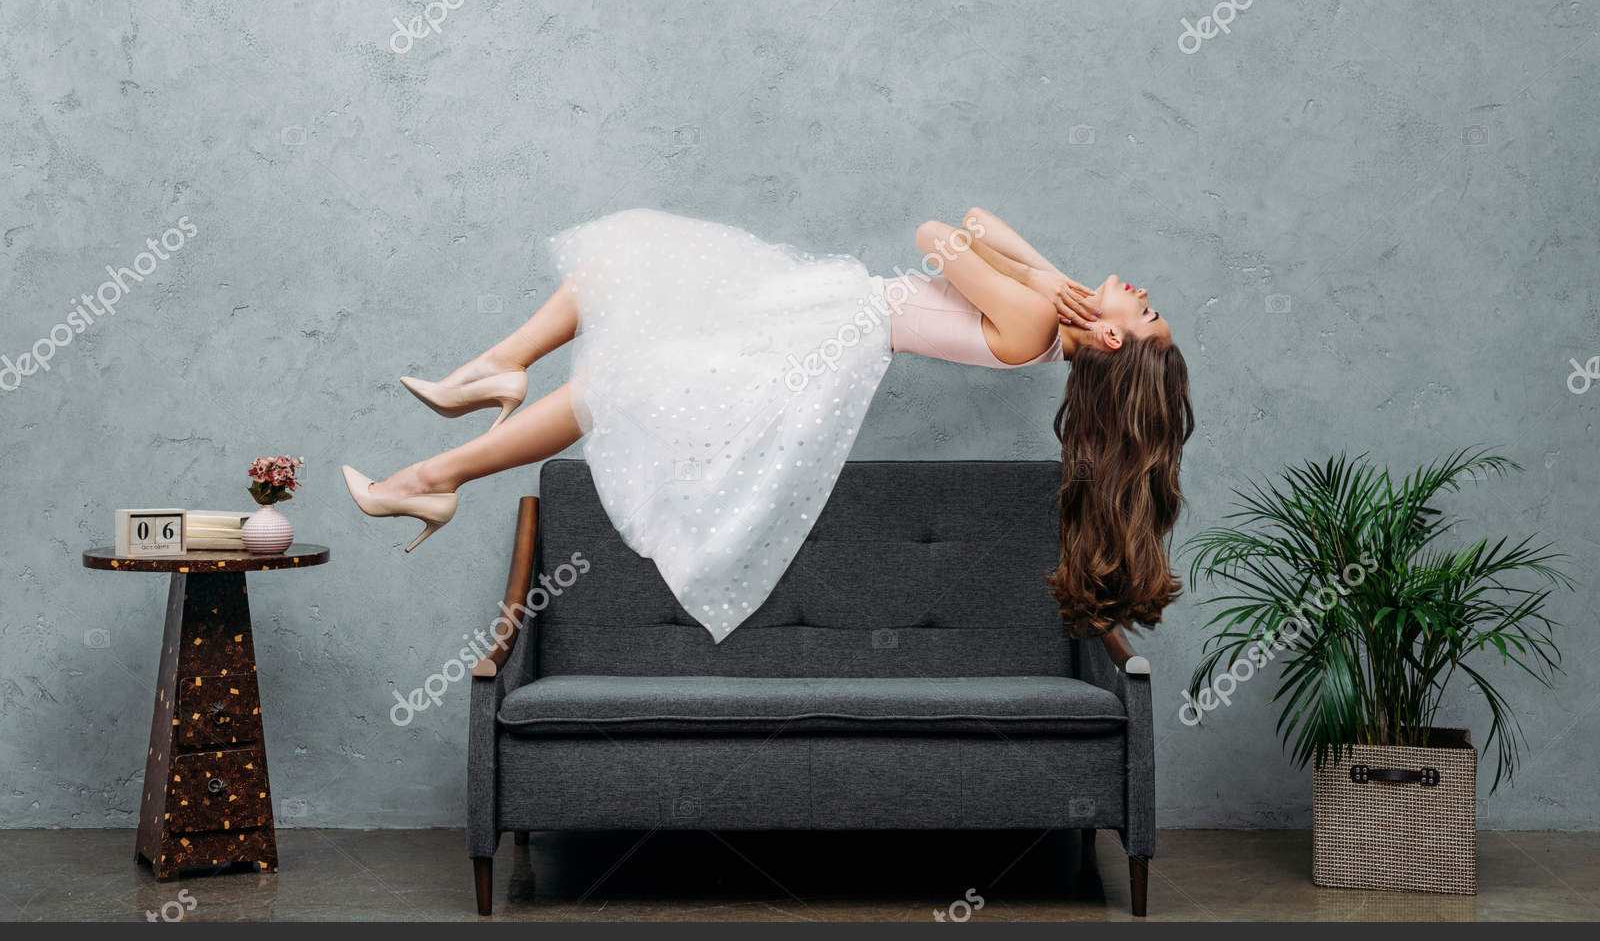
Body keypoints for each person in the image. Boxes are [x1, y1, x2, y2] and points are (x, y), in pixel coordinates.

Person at [344, 207, 1192, 640]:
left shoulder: (1036, 326)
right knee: (629, 264)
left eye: (1142, 310)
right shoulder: (1049, 326)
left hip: (818, 338)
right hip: (816, 315)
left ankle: (433, 477)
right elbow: (979, 223)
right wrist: (1070, 282)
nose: (1138, 287)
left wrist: (1057, 288)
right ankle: (493, 379)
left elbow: (940, 232)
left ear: (1112, 337)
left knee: (625, 377)